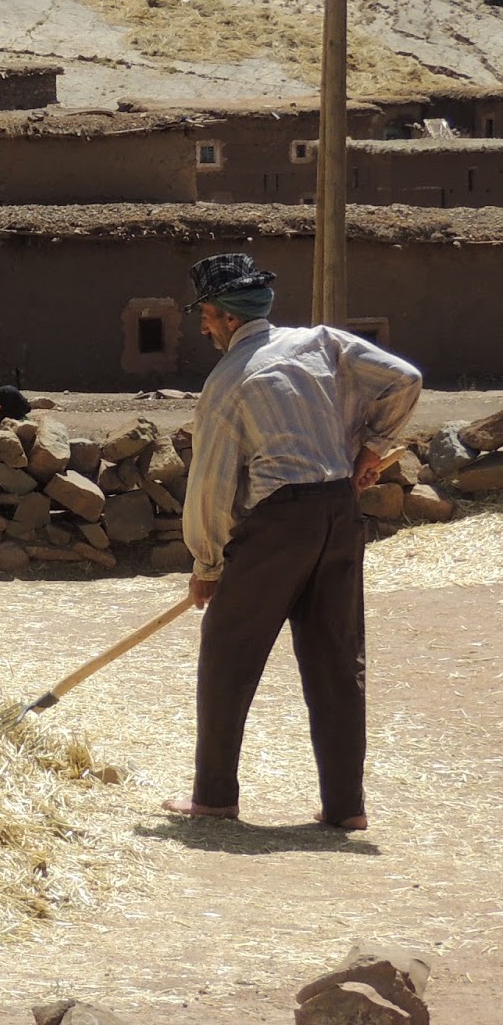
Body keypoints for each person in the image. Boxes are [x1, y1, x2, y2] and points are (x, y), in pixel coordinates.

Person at [163, 252, 422, 832]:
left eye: (205, 314)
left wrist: (207, 561)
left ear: (229, 318)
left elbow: (211, 482)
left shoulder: (229, 381)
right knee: (336, 657)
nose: (202, 324)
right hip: (338, 509)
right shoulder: (323, 342)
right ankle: (345, 808)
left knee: (229, 650)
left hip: (280, 522)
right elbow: (407, 379)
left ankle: (213, 797)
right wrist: (371, 447)